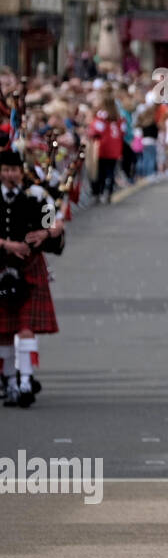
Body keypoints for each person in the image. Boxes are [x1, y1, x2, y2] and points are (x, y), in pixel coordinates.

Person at [0, 151, 63, 407]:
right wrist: (6, 245)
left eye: (14, 169)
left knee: (25, 326)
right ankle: (9, 382)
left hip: (30, 267)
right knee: (3, 331)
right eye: (5, 169)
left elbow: (56, 223)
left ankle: (25, 380)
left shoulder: (36, 195)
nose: (9, 174)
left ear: (21, 171)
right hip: (2, 266)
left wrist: (46, 234)